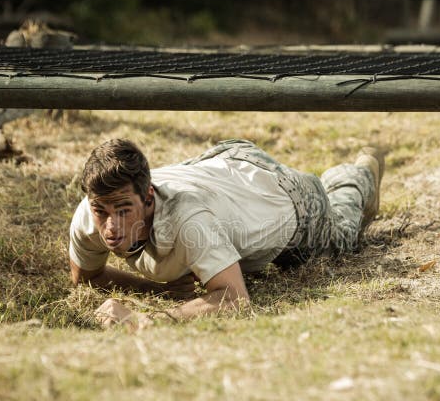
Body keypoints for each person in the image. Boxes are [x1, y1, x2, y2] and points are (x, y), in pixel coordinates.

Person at [69, 138, 383, 330]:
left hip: (293, 202)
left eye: (124, 210)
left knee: (341, 235)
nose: (111, 226)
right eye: (102, 211)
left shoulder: (189, 221)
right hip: (224, 162)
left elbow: (235, 299)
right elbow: (86, 276)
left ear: (148, 197)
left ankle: (357, 173)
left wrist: (148, 320)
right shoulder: (88, 212)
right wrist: (158, 288)